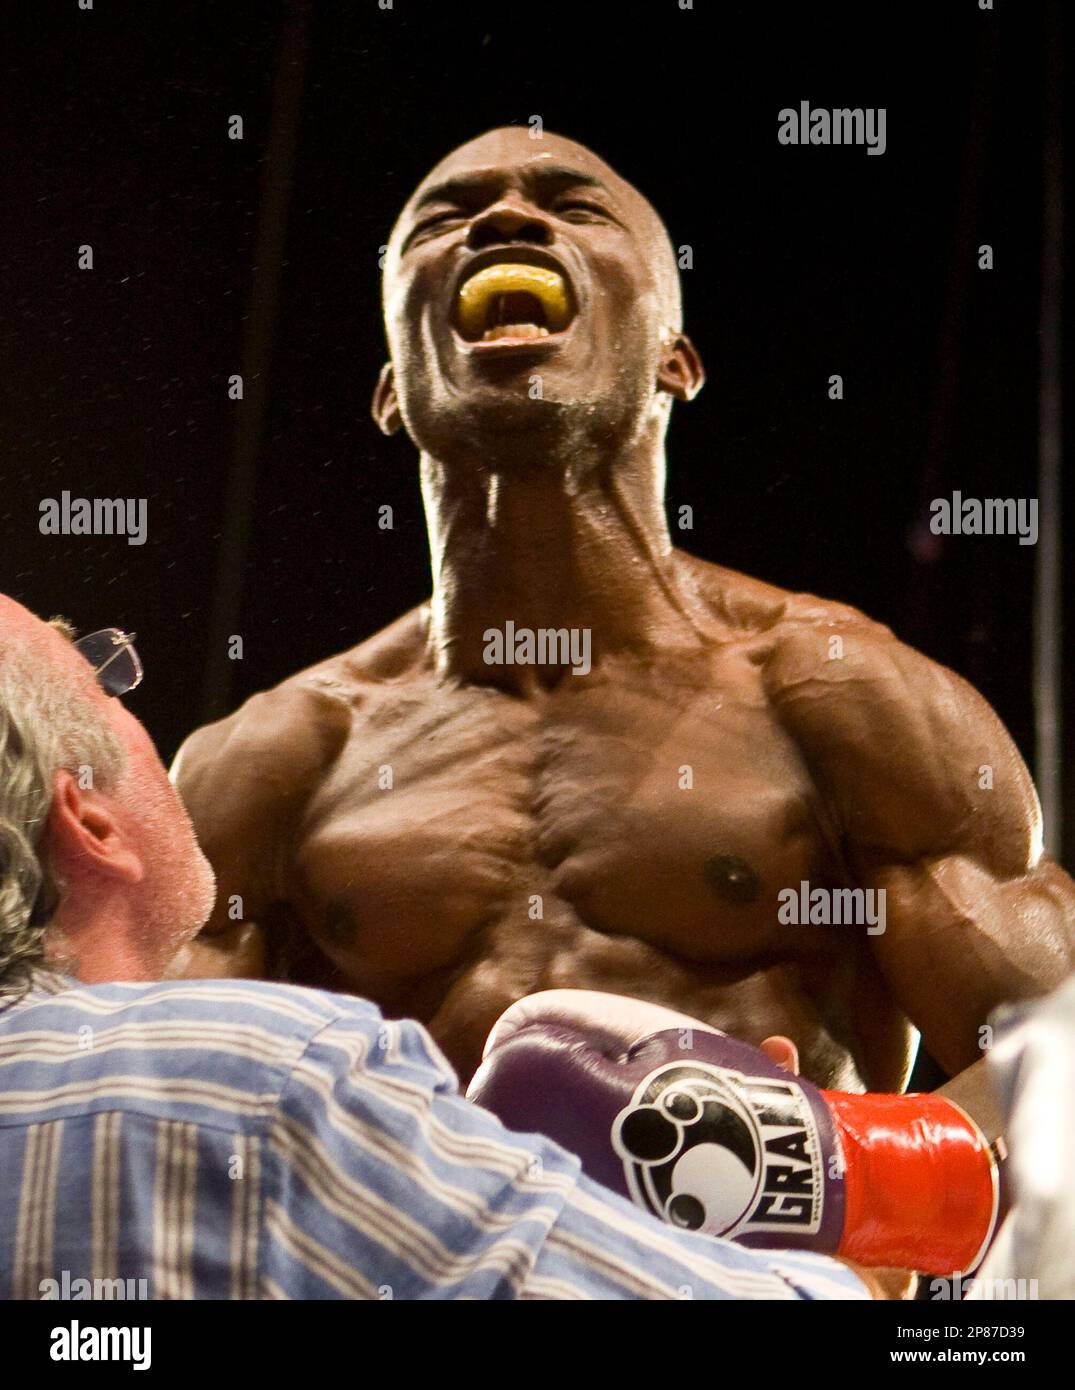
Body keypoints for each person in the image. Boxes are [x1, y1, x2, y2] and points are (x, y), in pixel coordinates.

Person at [170, 126, 1075, 1142]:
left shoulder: (837, 693)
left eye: (573, 205)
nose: (506, 220)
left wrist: (839, 1185)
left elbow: (1058, 1062)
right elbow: (147, 1122)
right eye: (446, 215)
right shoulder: (277, 758)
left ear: (675, 361)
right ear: (392, 390)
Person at [0, 594, 872, 1299]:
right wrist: (845, 1227)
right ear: (88, 820)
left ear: (677, 367)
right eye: (106, 682)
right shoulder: (259, 1079)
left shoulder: (831, 689)